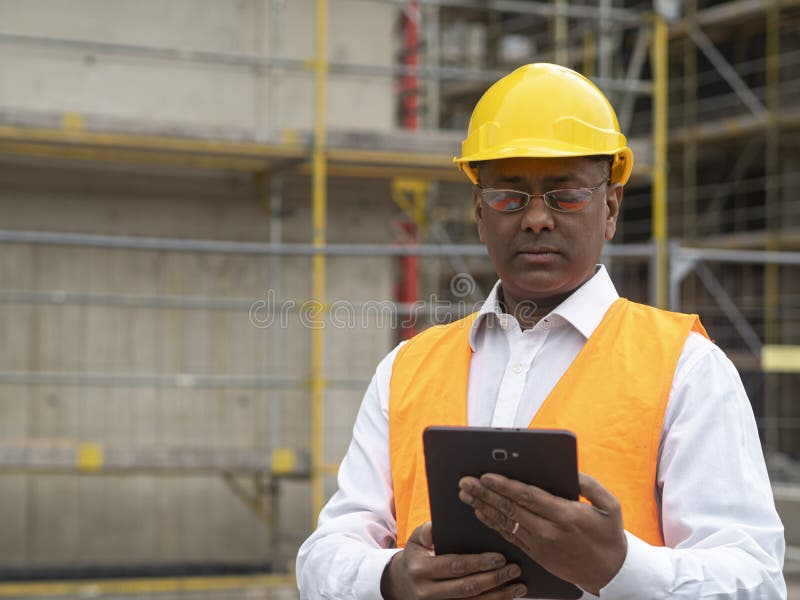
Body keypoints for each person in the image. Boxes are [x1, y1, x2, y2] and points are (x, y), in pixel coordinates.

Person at [296, 63, 786, 599]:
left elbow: (754, 580)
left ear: (611, 207)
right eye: (508, 195)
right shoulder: (406, 369)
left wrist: (620, 569)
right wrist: (390, 579)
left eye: (565, 194)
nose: (534, 219)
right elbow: (325, 553)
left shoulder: (686, 370)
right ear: (480, 214)